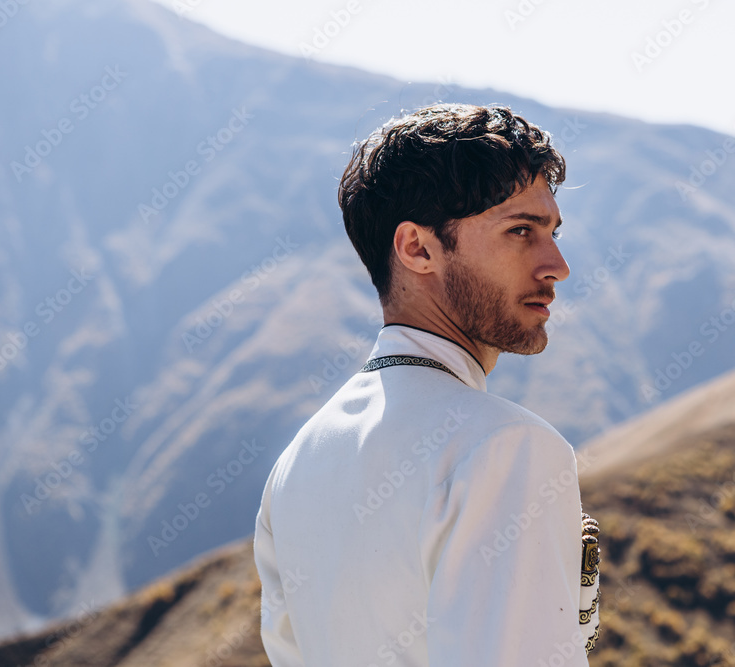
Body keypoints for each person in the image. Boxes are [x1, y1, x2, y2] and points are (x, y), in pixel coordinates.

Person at [253, 103, 599, 666]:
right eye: (520, 231)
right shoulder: (505, 448)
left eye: (553, 232)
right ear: (417, 248)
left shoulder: (299, 461)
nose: (557, 264)